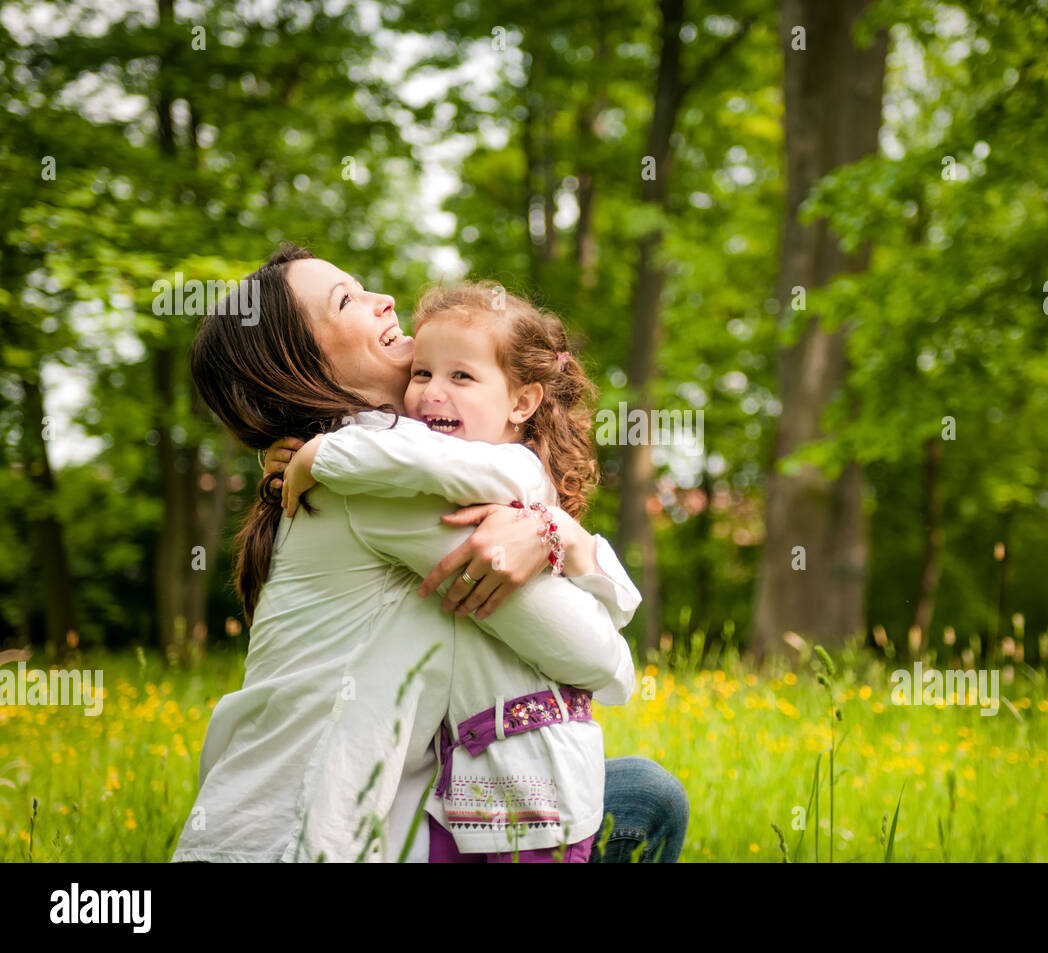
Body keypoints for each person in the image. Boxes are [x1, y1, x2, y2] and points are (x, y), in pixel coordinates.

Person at [174, 243, 686, 863]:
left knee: (637, 791)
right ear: (301, 366)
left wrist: (556, 531)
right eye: (346, 302)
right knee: (648, 796)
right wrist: (554, 531)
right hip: (294, 844)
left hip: (362, 817)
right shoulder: (378, 486)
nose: (382, 300)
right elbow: (603, 663)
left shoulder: (355, 463)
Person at [277, 280, 626, 861]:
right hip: (462, 782)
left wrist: (323, 452)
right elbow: (410, 452)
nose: (430, 393)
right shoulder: (417, 474)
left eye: (460, 377)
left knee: (646, 796)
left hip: (538, 786)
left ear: (522, 403)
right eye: (422, 374)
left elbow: (604, 656)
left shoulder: (499, 470)